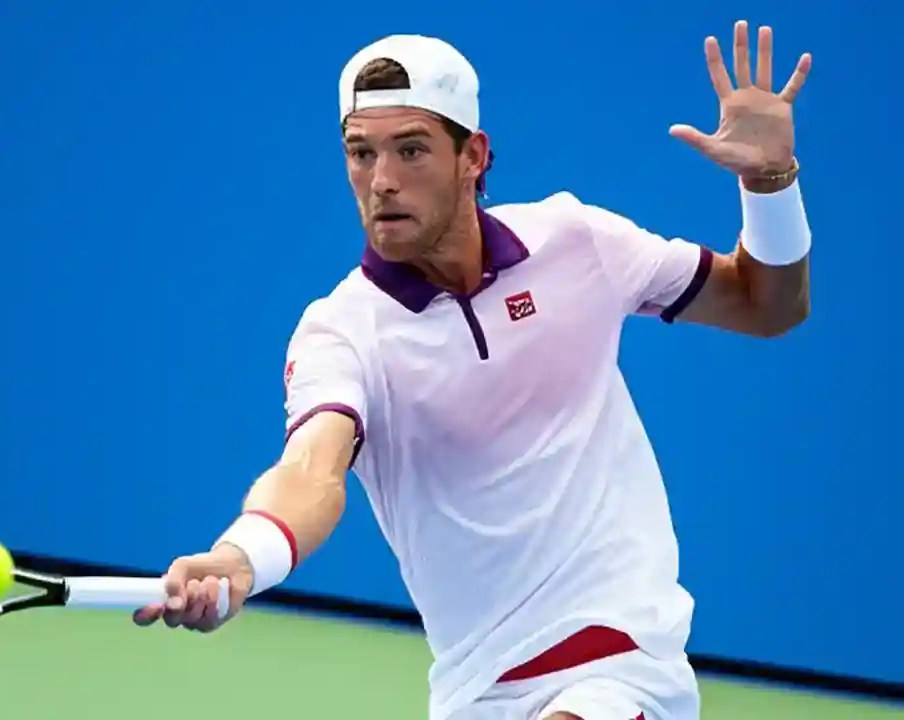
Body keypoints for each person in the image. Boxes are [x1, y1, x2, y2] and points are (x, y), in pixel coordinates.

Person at [133, 21, 813, 720]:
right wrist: (242, 556)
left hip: (621, 665)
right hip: (476, 691)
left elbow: (764, 304)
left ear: (473, 156)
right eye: (361, 153)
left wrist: (769, 185)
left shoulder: (577, 240)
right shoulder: (342, 330)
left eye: (411, 150)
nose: (382, 181)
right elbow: (312, 470)